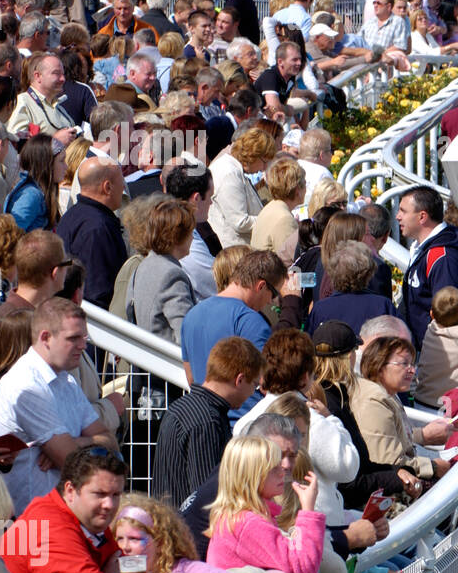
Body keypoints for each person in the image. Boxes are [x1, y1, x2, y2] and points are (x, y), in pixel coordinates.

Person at [0, 298, 118, 513]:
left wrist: (77, 442)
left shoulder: (66, 381)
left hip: (59, 515)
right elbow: (71, 462)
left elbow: (110, 441)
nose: (83, 346)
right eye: (73, 338)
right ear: (45, 337)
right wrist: (83, 445)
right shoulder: (26, 385)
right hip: (33, 523)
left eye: (84, 338)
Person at [0, 446, 137, 573]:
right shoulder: (49, 526)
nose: (109, 504)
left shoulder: (87, 519)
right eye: (99, 494)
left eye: (116, 495)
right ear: (70, 491)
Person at [153, 337, 262, 508]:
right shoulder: (207, 421)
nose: (252, 393)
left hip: (168, 522)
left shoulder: (182, 406)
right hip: (188, 530)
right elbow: (207, 498)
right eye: (254, 385)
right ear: (239, 380)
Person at [112, 493, 252, 573]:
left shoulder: (183, 570)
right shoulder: (112, 572)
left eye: (134, 539)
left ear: (160, 542)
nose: (124, 546)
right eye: (119, 538)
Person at [179, 249, 290, 410]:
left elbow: (191, 379)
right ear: (261, 286)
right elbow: (270, 384)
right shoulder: (251, 321)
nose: (270, 302)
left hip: (205, 415)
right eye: (273, 294)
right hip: (245, 423)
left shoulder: (191, 316)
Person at [205, 435, 324, 573]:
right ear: (251, 477)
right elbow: (304, 566)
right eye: (273, 469)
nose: (282, 472)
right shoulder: (246, 523)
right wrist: (308, 511)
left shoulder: (243, 517)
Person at [397, 185, 458, 350]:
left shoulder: (443, 257)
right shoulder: (428, 248)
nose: (398, 216)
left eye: (403, 211)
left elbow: (448, 315)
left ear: (422, 217)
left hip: (441, 353)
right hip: (429, 348)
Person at [355, 336, 450, 482]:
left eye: (412, 364)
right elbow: (389, 461)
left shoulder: (387, 395)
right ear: (379, 366)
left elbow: (393, 437)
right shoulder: (374, 401)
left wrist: (424, 435)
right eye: (404, 364)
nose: (412, 370)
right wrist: (433, 467)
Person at [54, 158, 126, 310]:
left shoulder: (72, 215)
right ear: (107, 187)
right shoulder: (96, 228)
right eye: (122, 183)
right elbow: (97, 293)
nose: (123, 188)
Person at [123, 196, 196, 343]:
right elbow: (185, 334)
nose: (192, 238)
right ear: (176, 237)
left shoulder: (142, 266)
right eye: (190, 232)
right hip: (167, 361)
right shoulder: (172, 274)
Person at [208, 125, 273, 248]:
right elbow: (240, 222)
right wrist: (272, 219)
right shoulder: (229, 173)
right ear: (252, 155)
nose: (264, 168)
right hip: (234, 251)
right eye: (264, 162)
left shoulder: (233, 169)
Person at [250, 156, 304, 260]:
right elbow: (294, 261)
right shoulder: (284, 219)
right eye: (305, 184)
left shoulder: (272, 207)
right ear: (298, 190)